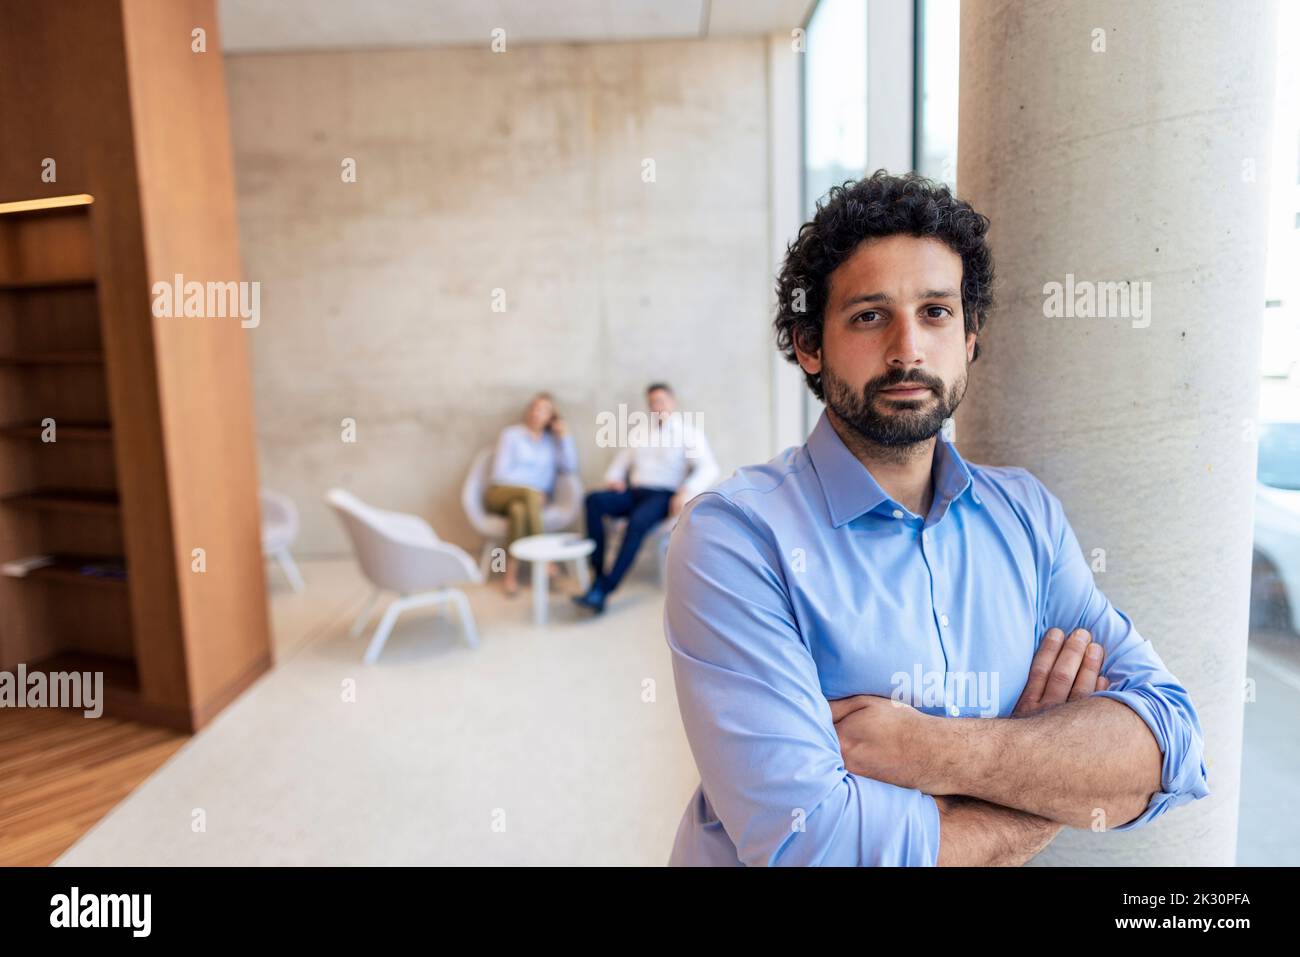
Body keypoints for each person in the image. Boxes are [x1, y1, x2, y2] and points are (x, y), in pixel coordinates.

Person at [664, 170, 1209, 866]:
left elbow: (1174, 746)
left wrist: (932, 750)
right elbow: (817, 844)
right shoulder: (736, 538)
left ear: (971, 333)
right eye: (869, 315)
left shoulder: (1027, 517)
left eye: (936, 312)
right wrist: (1046, 781)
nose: (908, 350)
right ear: (809, 345)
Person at [572, 383, 718, 614]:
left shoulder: (689, 433)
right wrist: (615, 478)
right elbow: (621, 462)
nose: (656, 406)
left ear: (672, 402)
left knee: (637, 522)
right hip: (635, 492)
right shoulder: (641, 432)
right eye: (652, 402)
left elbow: (708, 468)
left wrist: (686, 490)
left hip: (664, 496)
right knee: (594, 500)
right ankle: (598, 574)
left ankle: (604, 590)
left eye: (661, 401)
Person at [484, 392, 577, 596]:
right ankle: (546, 561)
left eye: (543, 410)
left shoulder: (551, 442)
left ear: (551, 417)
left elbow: (569, 467)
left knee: (519, 511)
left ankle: (510, 575)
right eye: (534, 407)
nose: (536, 413)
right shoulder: (511, 435)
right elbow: (500, 474)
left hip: (526, 501)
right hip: (499, 493)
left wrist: (565, 437)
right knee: (528, 498)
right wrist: (531, 491)